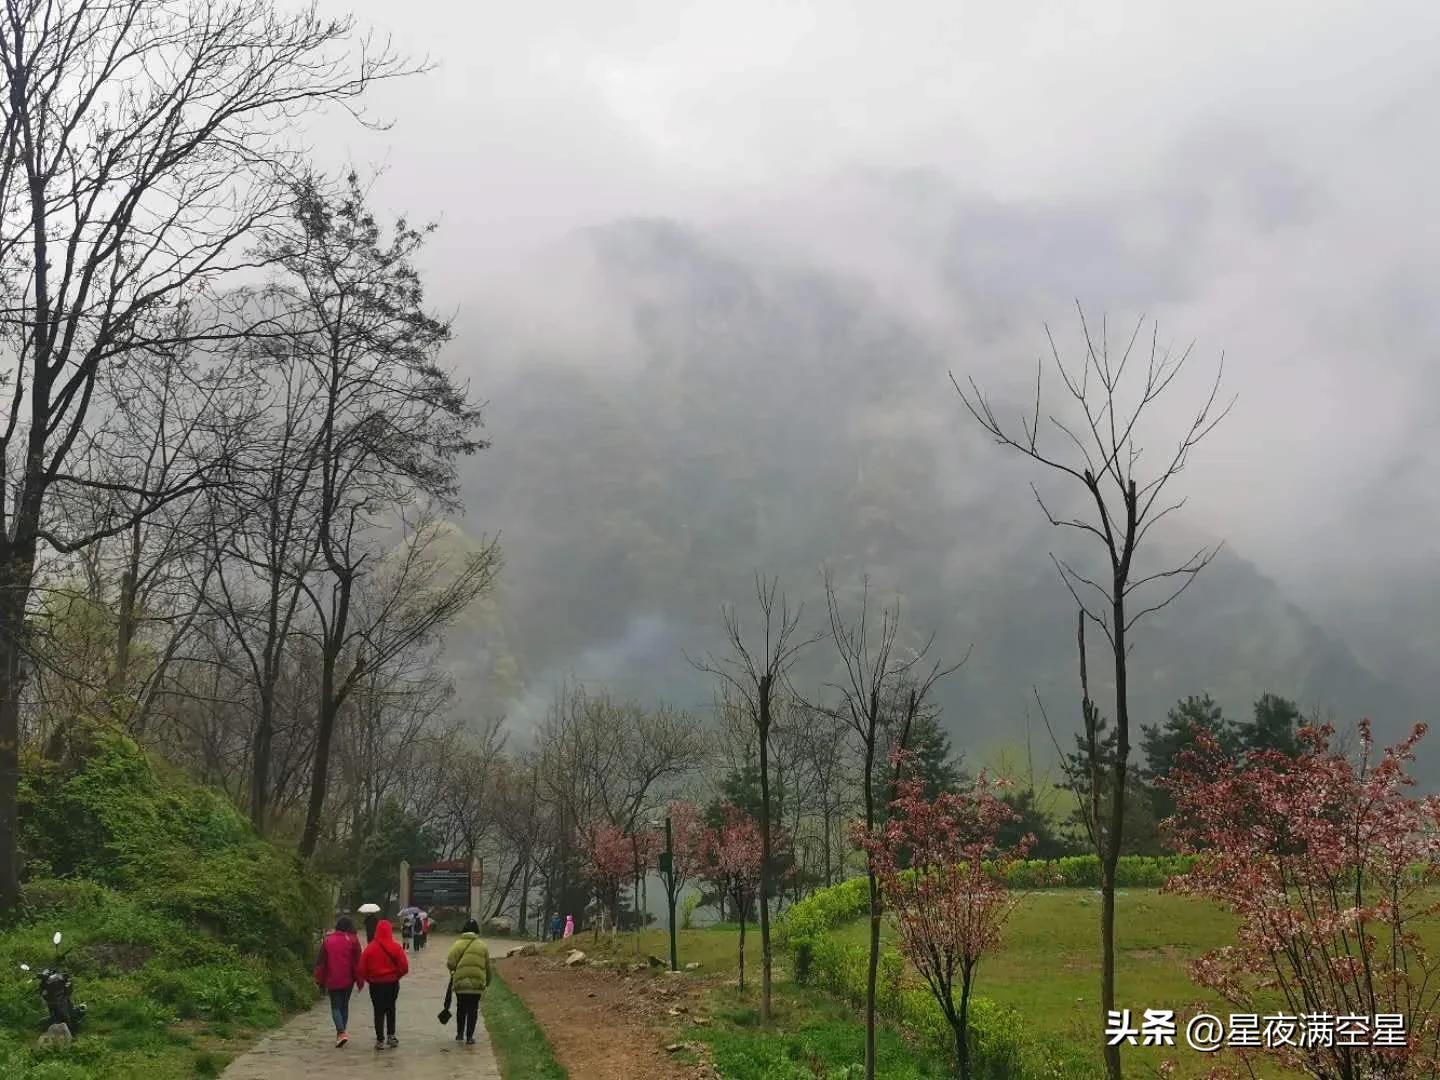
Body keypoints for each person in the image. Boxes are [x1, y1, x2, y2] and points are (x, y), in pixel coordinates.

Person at [357, 919, 409, 1050]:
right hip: (392, 983)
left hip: (376, 985)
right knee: (391, 1009)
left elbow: (361, 969)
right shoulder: (396, 947)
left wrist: (369, 979)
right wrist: (396, 976)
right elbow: (404, 967)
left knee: (378, 1011)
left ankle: (380, 1040)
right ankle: (391, 1036)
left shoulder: (370, 948)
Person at [314, 916, 364, 1048]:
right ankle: (341, 1033)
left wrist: (319, 979)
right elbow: (358, 961)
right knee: (344, 1005)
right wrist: (360, 979)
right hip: (348, 980)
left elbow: (321, 962)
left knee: (335, 1007)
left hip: (332, 978)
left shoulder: (328, 941)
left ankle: (341, 1033)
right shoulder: (353, 940)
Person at [446, 919, 491, 1046]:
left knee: (461, 1007)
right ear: (477, 930)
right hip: (477, 984)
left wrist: (454, 971)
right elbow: (488, 966)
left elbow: (450, 963)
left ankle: (459, 1034)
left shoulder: (457, 944)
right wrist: (487, 981)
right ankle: (469, 1037)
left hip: (461, 983)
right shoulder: (483, 946)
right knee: (473, 1009)